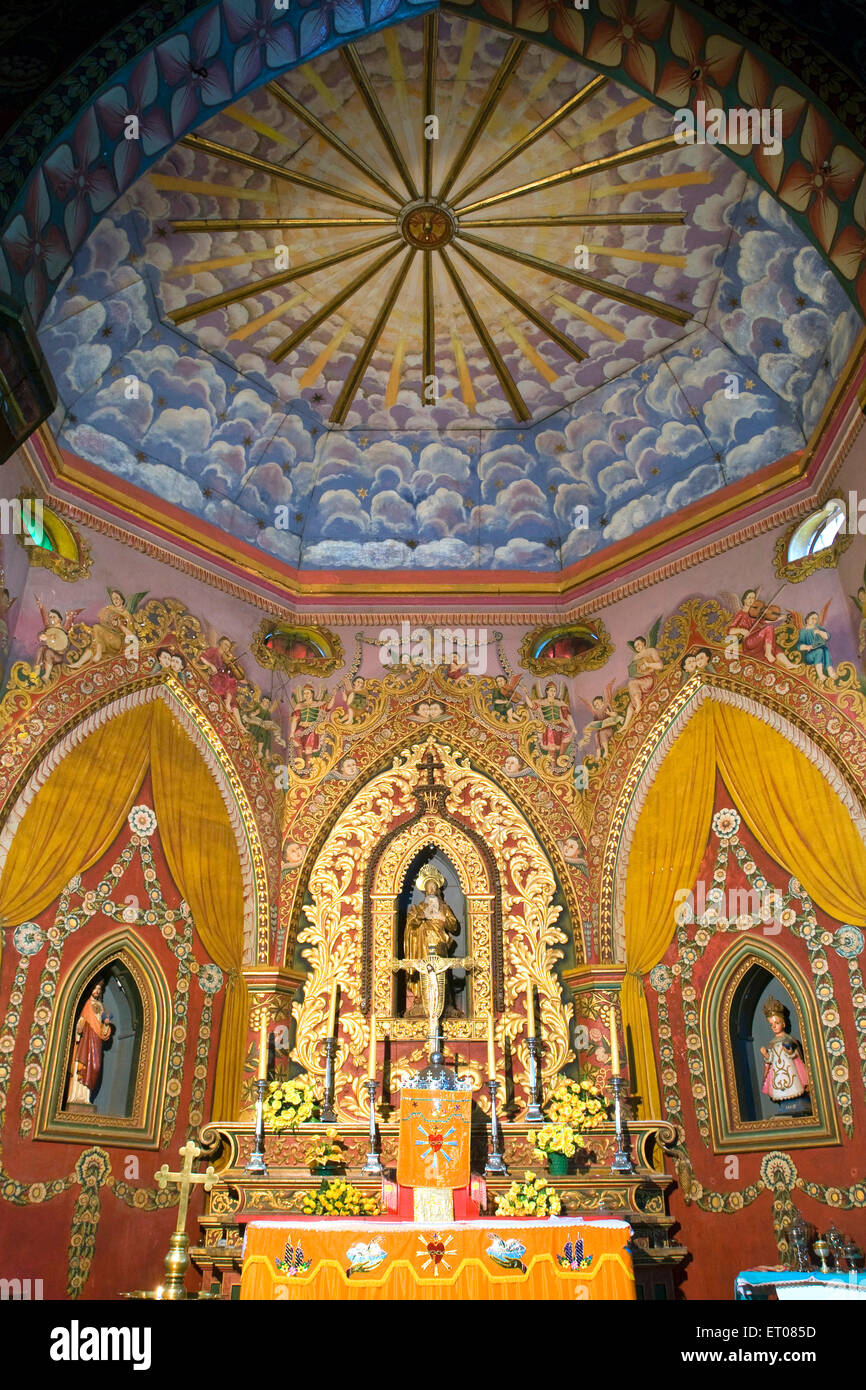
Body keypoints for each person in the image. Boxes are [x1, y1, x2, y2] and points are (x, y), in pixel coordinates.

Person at [760, 997, 811, 1115]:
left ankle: (798, 1102)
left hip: (790, 1069)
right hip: (778, 1072)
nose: (774, 1026)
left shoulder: (790, 1039)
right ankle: (785, 1105)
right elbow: (770, 1060)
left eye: (776, 1023)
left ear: (783, 1023)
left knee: (794, 1084)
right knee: (780, 1087)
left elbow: (796, 1055)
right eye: (771, 1024)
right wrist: (766, 1054)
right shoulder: (772, 1043)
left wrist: (789, 1052)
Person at [66, 980, 112, 1106]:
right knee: (83, 1064)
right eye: (95, 988)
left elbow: (103, 1031)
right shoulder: (86, 1004)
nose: (97, 991)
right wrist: (79, 1028)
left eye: (99, 989)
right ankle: (76, 1097)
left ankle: (87, 1097)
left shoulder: (101, 1006)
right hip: (86, 1040)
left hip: (96, 1041)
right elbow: (81, 1021)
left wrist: (106, 1025)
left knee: (95, 1067)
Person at [727, 590, 795, 668]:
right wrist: (741, 630)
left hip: (757, 638)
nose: (751, 600)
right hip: (749, 641)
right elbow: (729, 630)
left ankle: (787, 664)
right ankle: (768, 654)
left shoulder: (755, 613)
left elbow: (764, 621)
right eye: (749, 598)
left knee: (774, 645)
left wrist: (779, 618)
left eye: (753, 598)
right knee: (769, 628)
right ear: (744, 600)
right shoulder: (741, 614)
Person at [622, 636, 663, 728]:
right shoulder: (636, 657)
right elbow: (636, 670)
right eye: (636, 646)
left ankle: (639, 703)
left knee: (632, 684)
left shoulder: (651, 651)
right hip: (640, 681)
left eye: (639, 644)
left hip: (650, 679)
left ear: (644, 643)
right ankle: (625, 726)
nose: (637, 647)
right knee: (631, 703)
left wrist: (648, 665)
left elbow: (660, 665)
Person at [797, 611, 835, 682]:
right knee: (819, 651)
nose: (814, 620)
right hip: (809, 656)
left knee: (825, 649)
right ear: (807, 619)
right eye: (812, 618)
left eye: (816, 619)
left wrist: (819, 632)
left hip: (821, 653)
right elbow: (799, 645)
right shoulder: (803, 631)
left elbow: (828, 636)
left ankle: (830, 671)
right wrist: (807, 647)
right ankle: (820, 675)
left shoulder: (818, 628)